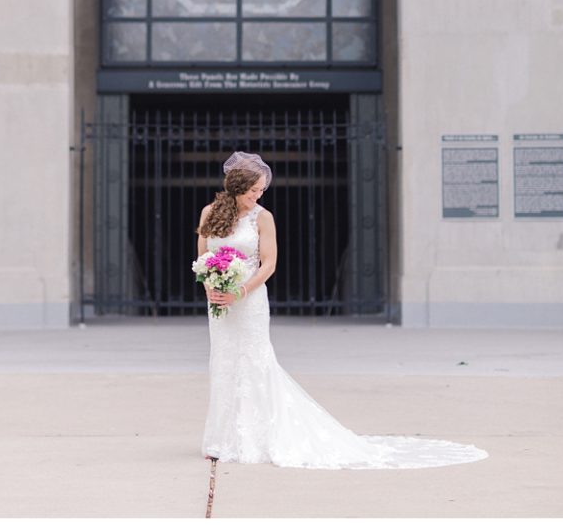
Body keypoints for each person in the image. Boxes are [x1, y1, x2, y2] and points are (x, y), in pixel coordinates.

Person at [197, 151, 485, 469]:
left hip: (248, 301)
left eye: (262, 190)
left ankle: (254, 437)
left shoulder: (262, 217)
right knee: (223, 363)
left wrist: (240, 290)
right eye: (254, 190)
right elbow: (203, 260)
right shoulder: (209, 213)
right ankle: (221, 439)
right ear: (238, 186)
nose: (259, 195)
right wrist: (211, 287)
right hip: (220, 304)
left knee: (254, 363)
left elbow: (269, 263)